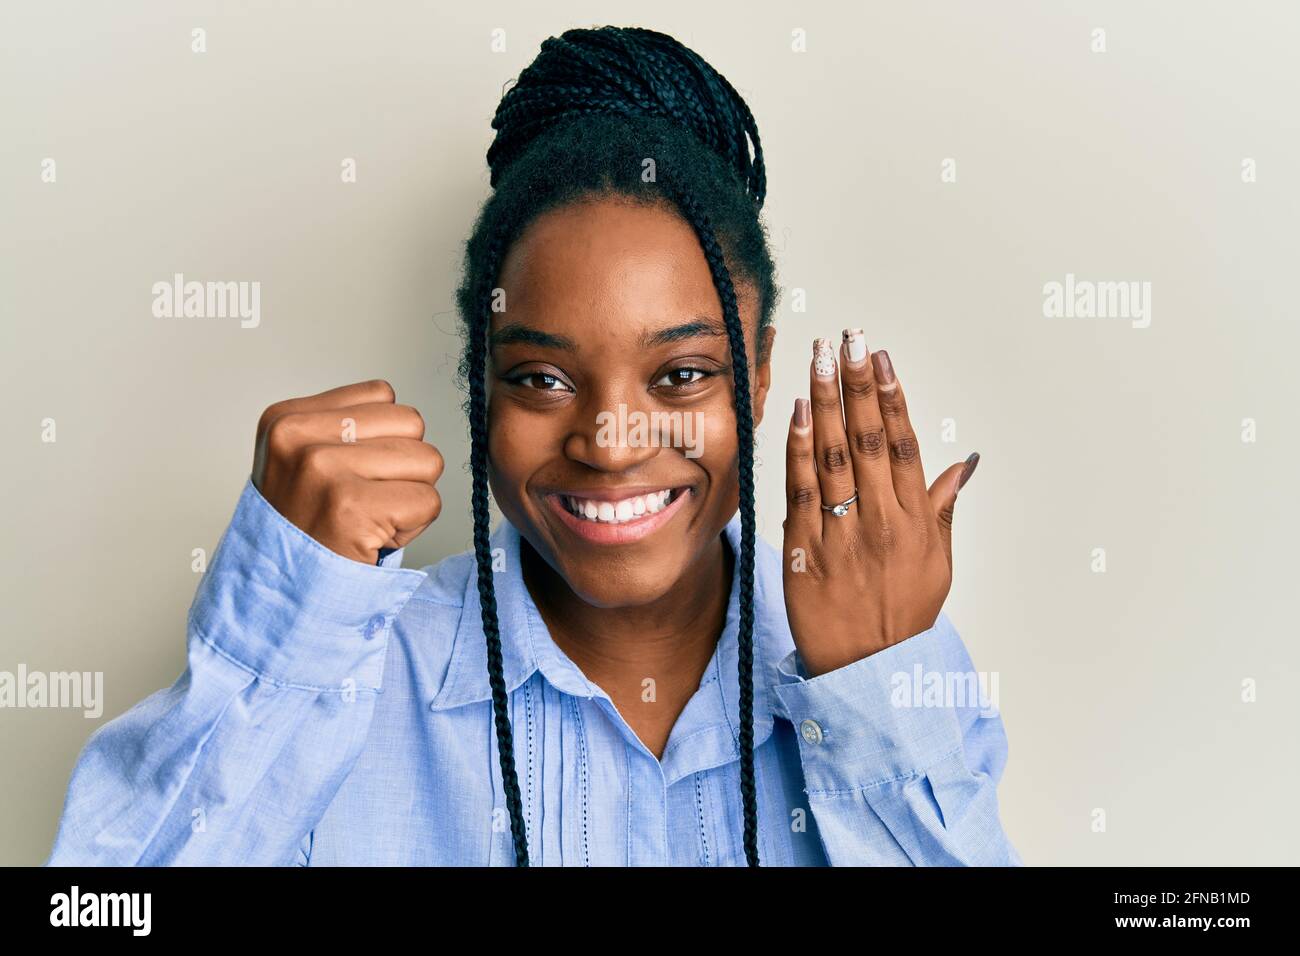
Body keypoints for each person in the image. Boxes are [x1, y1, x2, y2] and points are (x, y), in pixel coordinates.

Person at [46, 25, 1019, 866]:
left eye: (680, 374)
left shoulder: (875, 668)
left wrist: (873, 694)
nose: (608, 440)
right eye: (542, 378)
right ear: (480, 379)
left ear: (758, 377)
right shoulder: (342, 671)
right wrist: (280, 632)